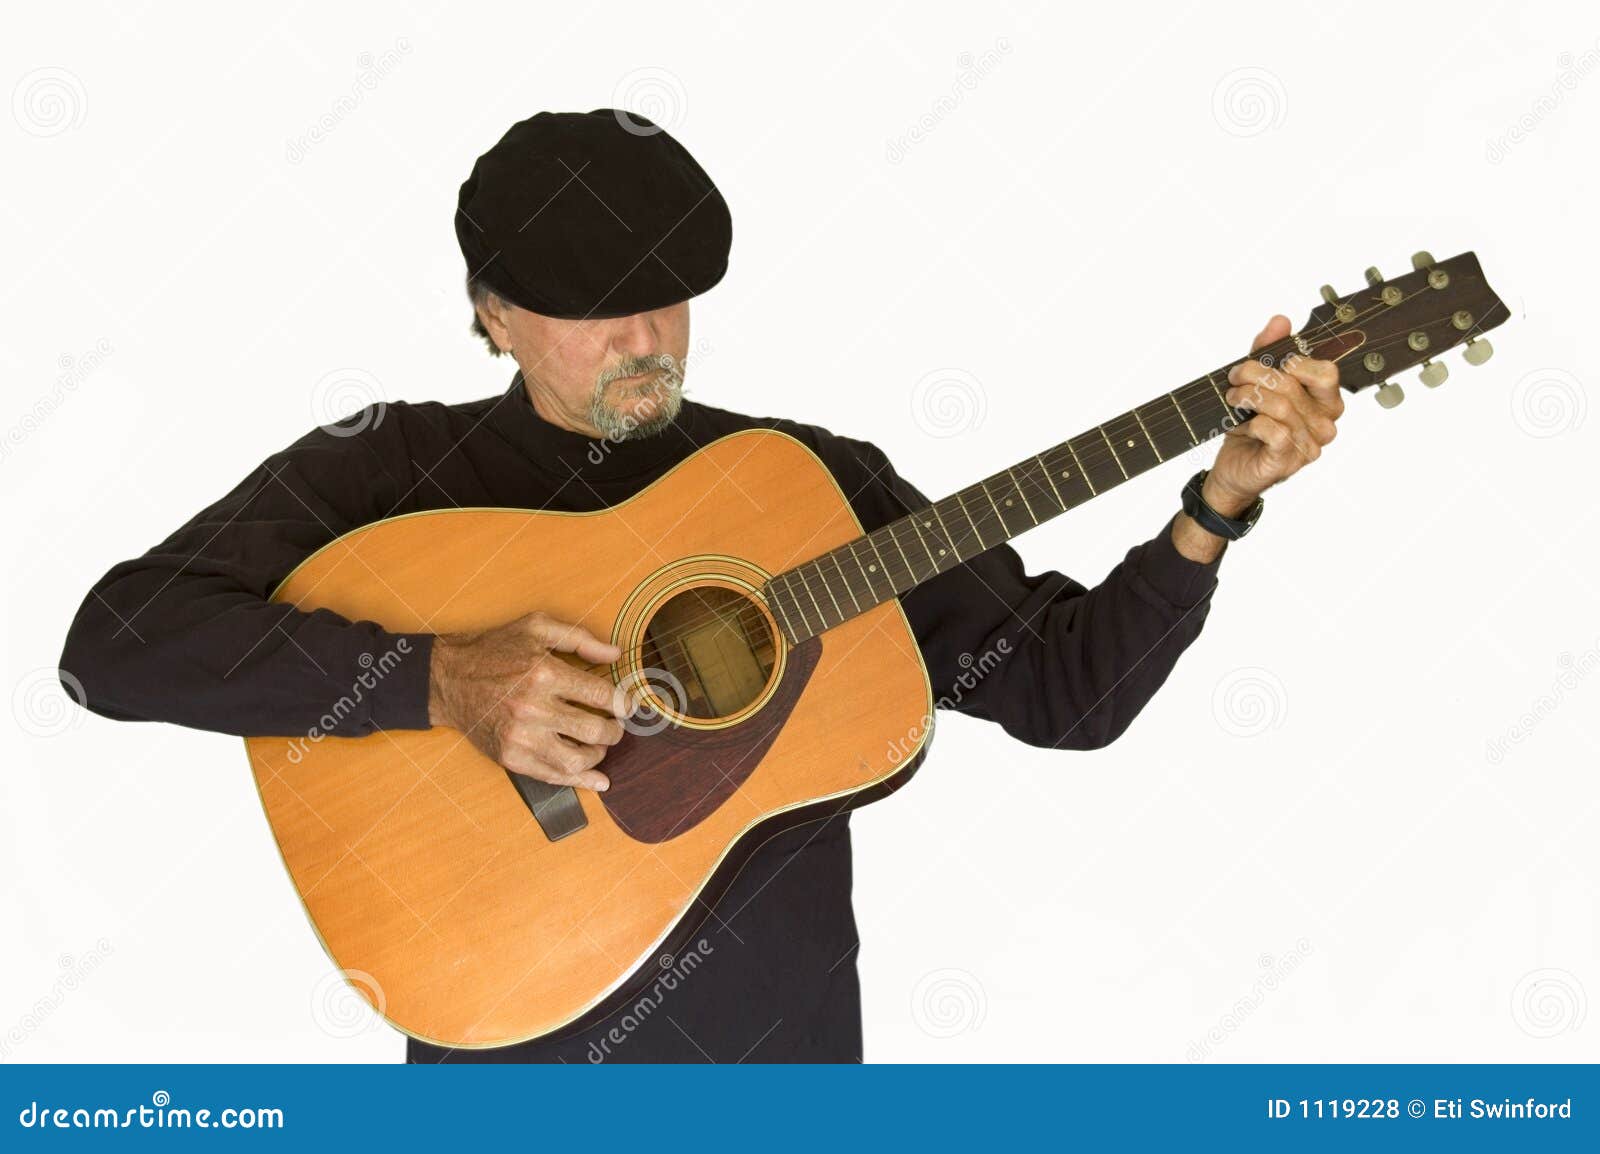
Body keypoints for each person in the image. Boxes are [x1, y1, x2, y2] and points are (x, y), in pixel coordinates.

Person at [58, 109, 1343, 1063]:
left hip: (774, 1064)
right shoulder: (387, 468)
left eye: (667, 296)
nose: (646, 339)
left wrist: (1218, 498)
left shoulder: (801, 482)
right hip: (505, 1055)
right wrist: (437, 681)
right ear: (491, 311)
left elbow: (1067, 688)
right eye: (591, 308)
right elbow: (113, 642)